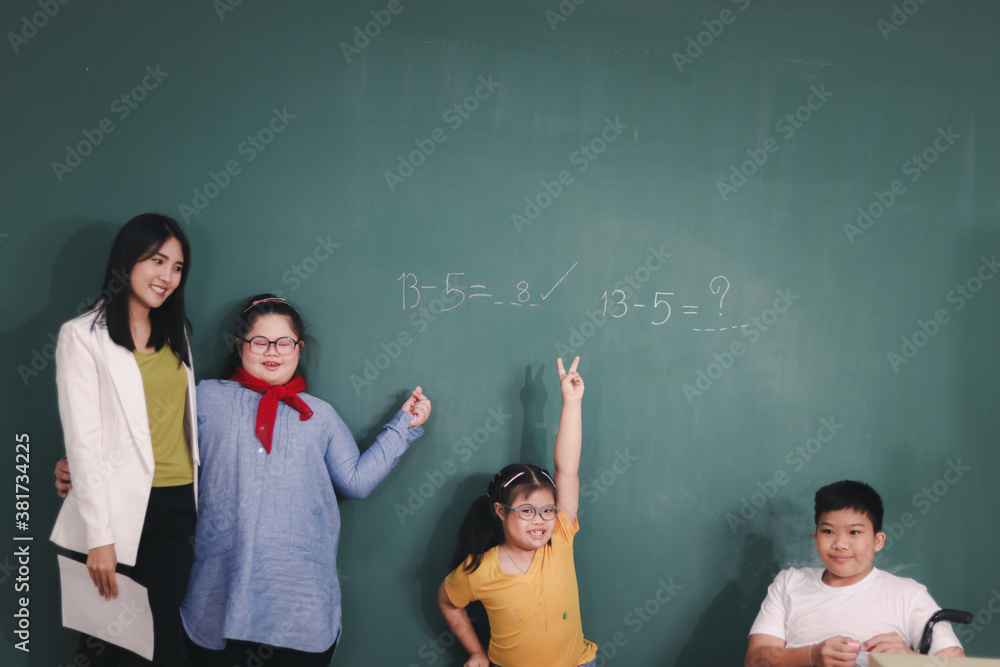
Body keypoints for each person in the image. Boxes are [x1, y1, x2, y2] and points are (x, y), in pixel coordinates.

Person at [178, 294, 430, 666]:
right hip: (219, 599)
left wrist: (402, 427)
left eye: (285, 342)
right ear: (239, 346)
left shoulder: (320, 416)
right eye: (259, 341)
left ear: (299, 348)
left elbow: (356, 481)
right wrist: (85, 470)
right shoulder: (205, 397)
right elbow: (154, 450)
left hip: (300, 608)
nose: (272, 352)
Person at [50, 213, 198, 666]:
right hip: (112, 513)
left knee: (155, 640)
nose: (168, 277)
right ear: (127, 258)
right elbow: (84, 438)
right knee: (105, 646)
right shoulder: (81, 336)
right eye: (158, 260)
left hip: (176, 508)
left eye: (177, 268)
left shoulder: (178, 333)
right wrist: (100, 538)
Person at [438, 356, 597, 667]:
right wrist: (476, 652)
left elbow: (567, 469)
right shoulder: (479, 569)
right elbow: (447, 602)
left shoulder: (560, 538)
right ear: (500, 510)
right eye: (526, 510)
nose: (539, 520)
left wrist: (572, 403)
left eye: (548, 510)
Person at [744, 480, 965, 667]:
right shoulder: (788, 582)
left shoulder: (909, 594)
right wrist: (812, 655)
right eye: (828, 531)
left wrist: (909, 660)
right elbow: (755, 659)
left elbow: (958, 662)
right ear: (816, 537)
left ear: (877, 541)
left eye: (854, 532)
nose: (840, 544)